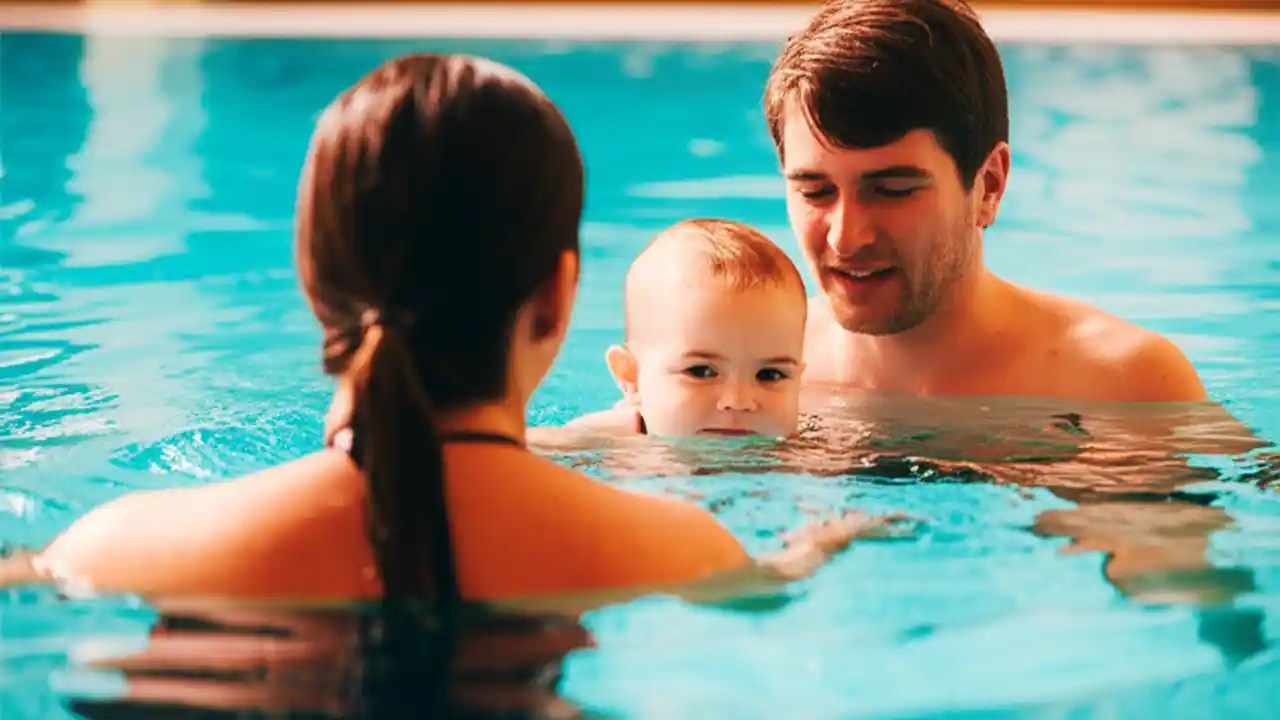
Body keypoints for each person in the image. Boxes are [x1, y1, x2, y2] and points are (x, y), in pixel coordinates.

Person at [28, 54, 883, 605]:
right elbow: (771, 592)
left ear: (316, 287)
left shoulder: (116, 545)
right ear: (556, 297)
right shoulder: (674, 548)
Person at [766, 0, 1206, 403]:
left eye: (893, 190)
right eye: (815, 191)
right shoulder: (752, 373)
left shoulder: (1120, 385)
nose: (846, 238)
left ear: (989, 186)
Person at [564, 218, 807, 438]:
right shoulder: (610, 439)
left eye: (770, 375)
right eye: (701, 371)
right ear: (631, 377)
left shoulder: (805, 453)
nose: (738, 401)